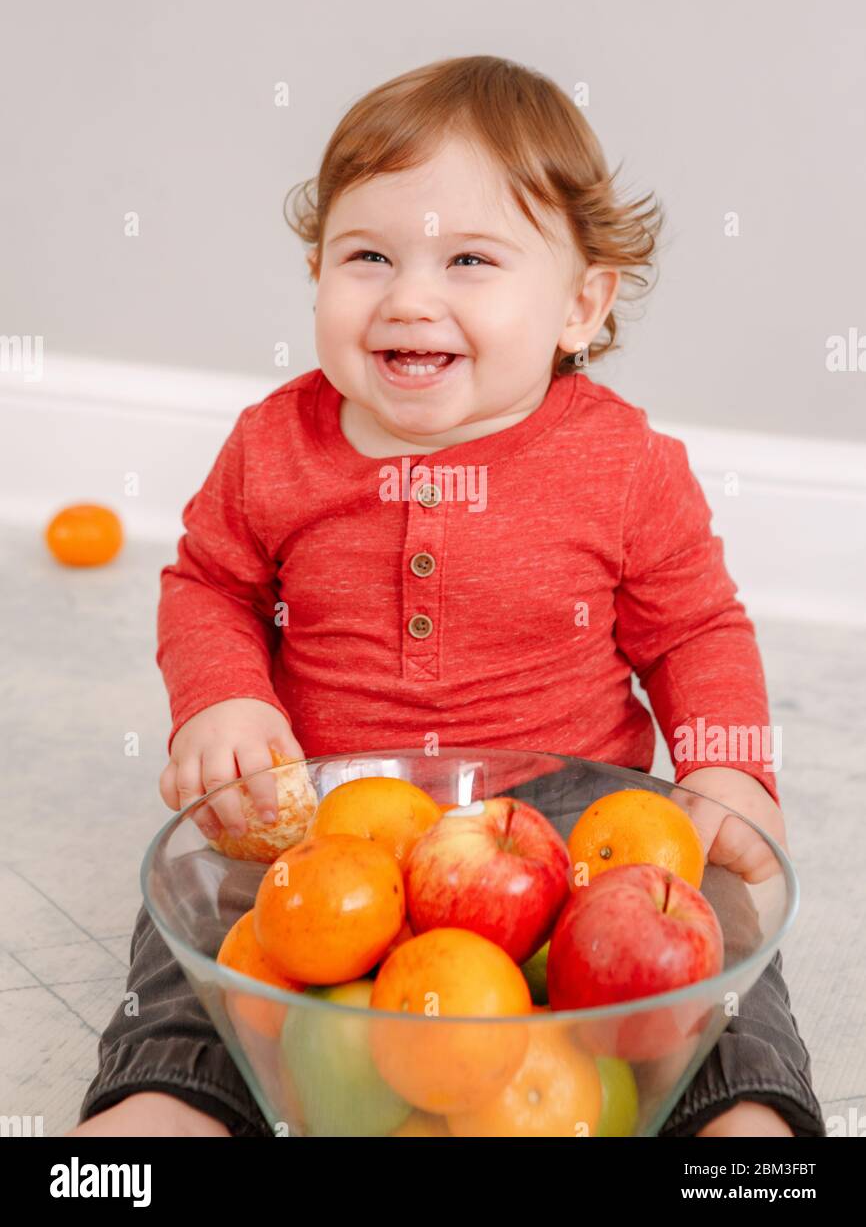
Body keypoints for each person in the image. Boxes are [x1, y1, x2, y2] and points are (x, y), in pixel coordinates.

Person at [69, 55, 824, 1138]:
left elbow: (698, 629)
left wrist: (725, 764)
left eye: (469, 258)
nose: (408, 296)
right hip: (320, 836)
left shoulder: (621, 463)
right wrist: (222, 698)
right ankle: (162, 1106)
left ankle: (739, 1125)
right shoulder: (273, 445)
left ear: (580, 303)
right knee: (206, 947)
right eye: (366, 255)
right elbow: (209, 586)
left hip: (571, 831)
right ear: (317, 275)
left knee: (710, 957)